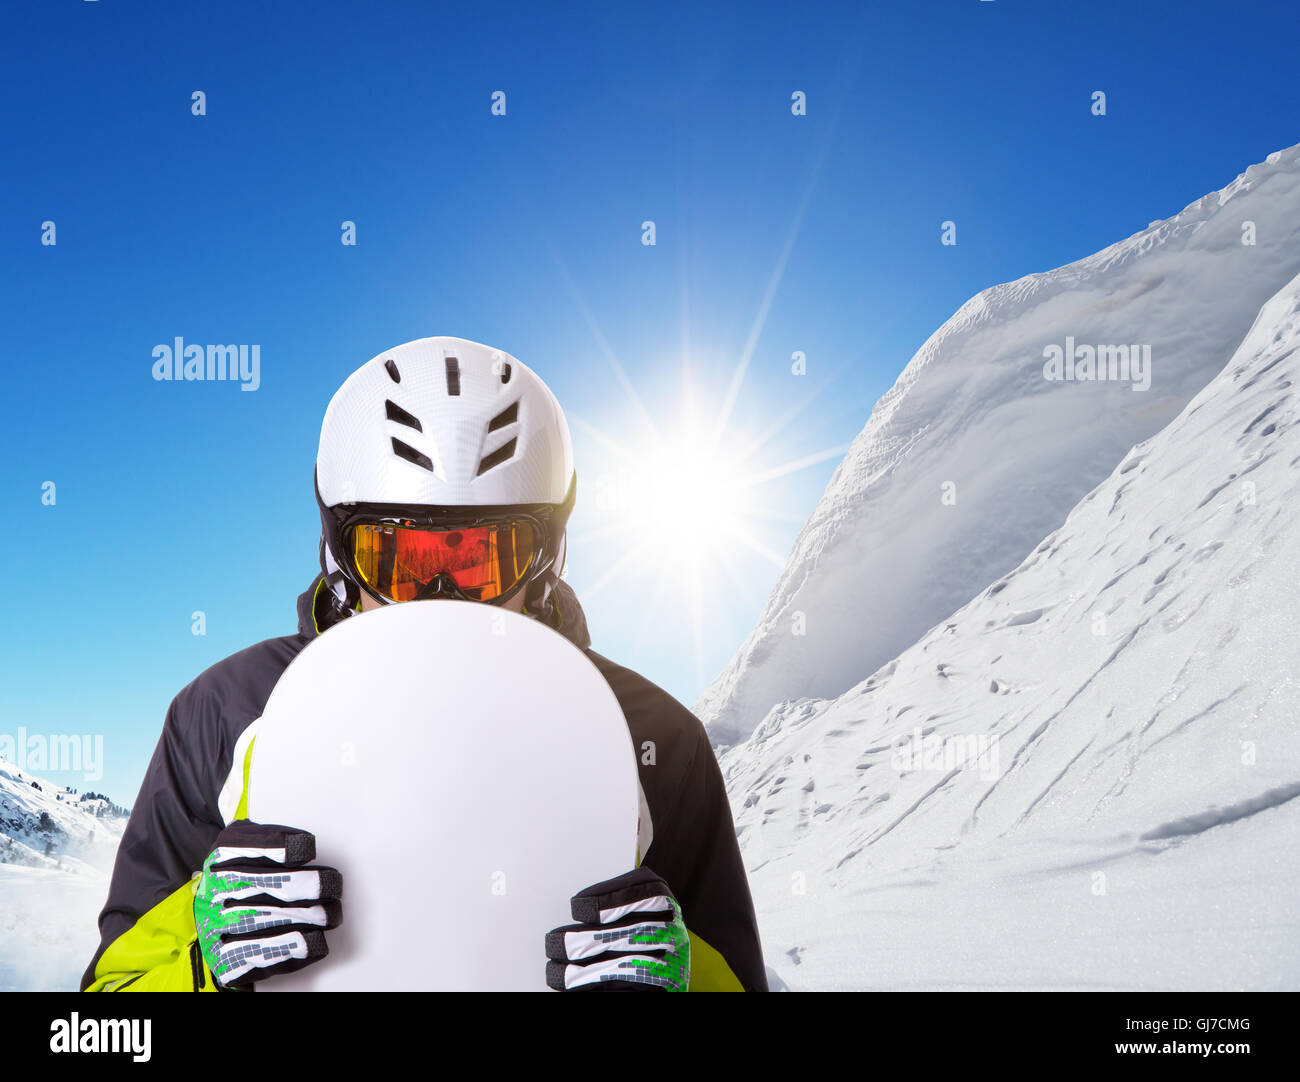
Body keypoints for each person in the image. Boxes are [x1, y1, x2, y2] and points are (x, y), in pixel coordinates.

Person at [82, 336, 767, 992]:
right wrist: (201, 962)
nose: (443, 594)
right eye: (401, 559)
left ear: (545, 560)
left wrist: (683, 982)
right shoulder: (224, 712)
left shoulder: (656, 741)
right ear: (340, 558)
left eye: (480, 558)